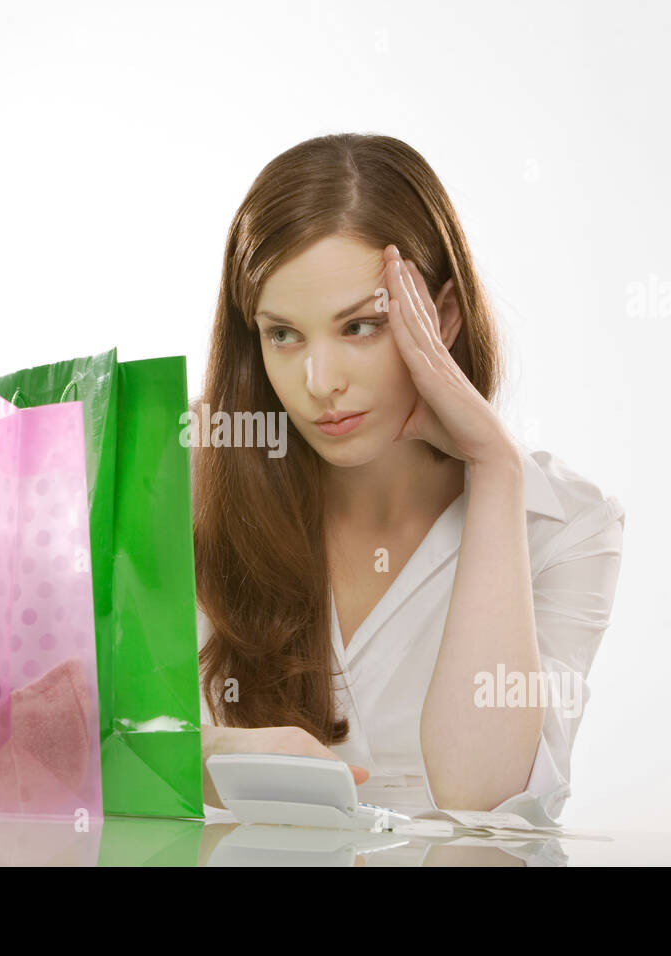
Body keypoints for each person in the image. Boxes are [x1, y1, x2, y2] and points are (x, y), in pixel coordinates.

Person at [192, 133, 626, 826]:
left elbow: (479, 799)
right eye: (283, 335)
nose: (320, 383)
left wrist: (494, 469)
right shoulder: (193, 484)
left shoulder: (566, 524)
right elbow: (53, 748)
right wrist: (208, 756)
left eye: (360, 326)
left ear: (443, 316)